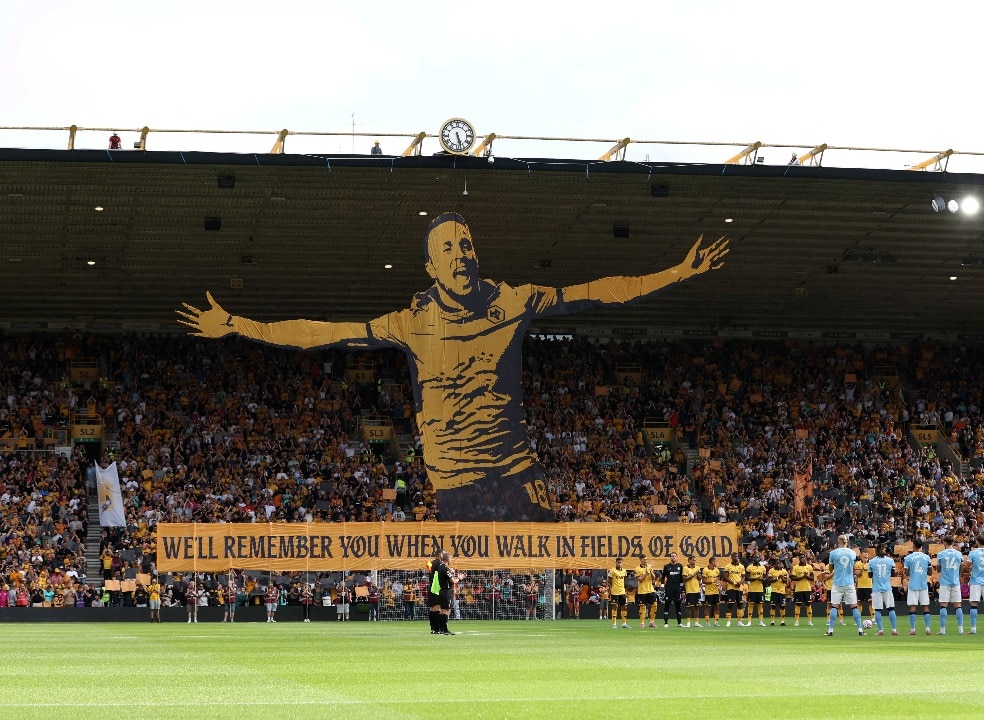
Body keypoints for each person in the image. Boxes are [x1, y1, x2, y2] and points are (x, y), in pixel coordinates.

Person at [177, 215, 730, 521]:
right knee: (461, 568)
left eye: (466, 243)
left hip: (516, 466)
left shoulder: (514, 301)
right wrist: (237, 325)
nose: (461, 253)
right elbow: (320, 332)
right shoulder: (410, 321)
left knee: (547, 557)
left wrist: (677, 272)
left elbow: (596, 294)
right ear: (431, 266)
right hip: (454, 477)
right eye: (448, 248)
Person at [825, 535, 862, 637]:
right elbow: (853, 567)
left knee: (834, 606)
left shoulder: (833, 553)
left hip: (837, 583)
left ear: (838, 541)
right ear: (847, 542)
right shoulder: (853, 553)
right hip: (849, 583)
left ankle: (830, 630)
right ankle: (860, 630)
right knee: (854, 606)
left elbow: (831, 569)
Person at [936, 537, 965, 635]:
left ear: (944, 542)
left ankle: (942, 630)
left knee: (943, 606)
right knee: (958, 606)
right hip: (955, 582)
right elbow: (961, 567)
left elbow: (938, 569)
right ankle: (961, 629)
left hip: (945, 582)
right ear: (953, 542)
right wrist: (958, 575)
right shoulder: (958, 554)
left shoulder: (941, 554)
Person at [903, 538, 932, 636]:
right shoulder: (927, 557)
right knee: (925, 607)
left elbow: (906, 573)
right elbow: (930, 572)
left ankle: (913, 629)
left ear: (914, 545)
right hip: (923, 585)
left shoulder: (908, 558)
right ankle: (928, 629)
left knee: (912, 607)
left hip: (913, 585)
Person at [868, 545, 899, 636]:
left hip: (877, 588)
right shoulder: (890, 561)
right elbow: (893, 574)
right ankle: (894, 630)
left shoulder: (872, 562)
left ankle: (881, 630)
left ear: (876, 551)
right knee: (891, 608)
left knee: (878, 610)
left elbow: (870, 575)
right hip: (887, 587)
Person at [660, 552, 685, 628]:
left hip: (677, 589)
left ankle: (679, 623)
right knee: (667, 605)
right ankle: (666, 623)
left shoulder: (680, 566)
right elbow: (663, 576)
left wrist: (681, 588)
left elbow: (681, 578)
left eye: (675, 556)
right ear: (670, 558)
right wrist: (662, 586)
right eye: (672, 556)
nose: (673, 557)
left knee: (678, 605)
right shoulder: (666, 566)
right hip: (669, 588)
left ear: (677, 557)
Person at [790, 553, 815, 627]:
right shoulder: (795, 567)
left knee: (808, 605)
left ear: (805, 559)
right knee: (798, 605)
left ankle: (810, 621)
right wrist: (802, 577)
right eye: (801, 558)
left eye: (803, 557)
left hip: (807, 588)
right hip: (798, 589)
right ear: (799, 559)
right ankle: (797, 621)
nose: (802, 559)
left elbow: (812, 578)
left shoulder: (809, 567)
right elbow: (793, 578)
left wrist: (806, 576)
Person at [723, 553, 746, 627]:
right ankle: (728, 622)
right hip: (731, 588)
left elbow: (743, 577)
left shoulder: (741, 566)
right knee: (730, 604)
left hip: (739, 588)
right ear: (731, 557)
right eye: (735, 556)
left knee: (740, 604)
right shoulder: (727, 566)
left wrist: (740, 582)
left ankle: (740, 622)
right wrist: (733, 583)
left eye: (737, 556)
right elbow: (725, 577)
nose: (736, 557)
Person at [766, 555, 789, 627]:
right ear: (774, 564)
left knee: (782, 606)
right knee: (773, 606)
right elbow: (769, 580)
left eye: (779, 563)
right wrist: (777, 577)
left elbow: (786, 581)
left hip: (782, 591)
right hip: (774, 591)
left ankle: (782, 621)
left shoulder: (784, 571)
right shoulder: (771, 570)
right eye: (777, 563)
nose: (778, 565)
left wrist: (782, 578)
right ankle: (772, 621)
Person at [744, 555, 767, 627]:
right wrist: (755, 578)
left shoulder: (763, 568)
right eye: (755, 557)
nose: (756, 558)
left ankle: (761, 621)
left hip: (760, 589)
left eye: (757, 557)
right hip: (752, 589)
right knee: (751, 605)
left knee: (760, 605)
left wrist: (762, 580)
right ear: (753, 559)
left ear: (759, 558)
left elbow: (765, 578)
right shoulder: (749, 567)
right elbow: (746, 578)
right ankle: (749, 622)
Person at [635, 555, 657, 628]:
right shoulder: (637, 569)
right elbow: (640, 580)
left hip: (650, 589)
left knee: (654, 605)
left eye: (646, 559)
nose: (646, 561)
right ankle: (642, 623)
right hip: (642, 591)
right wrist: (646, 573)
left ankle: (652, 622)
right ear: (640, 560)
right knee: (642, 607)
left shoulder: (650, 567)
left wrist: (651, 572)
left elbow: (654, 578)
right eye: (644, 559)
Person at [608, 557, 629, 629]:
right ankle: (614, 624)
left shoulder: (624, 571)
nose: (619, 564)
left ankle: (624, 623)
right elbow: (609, 580)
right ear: (616, 563)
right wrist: (614, 585)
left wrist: (624, 590)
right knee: (615, 606)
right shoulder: (612, 571)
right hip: (614, 591)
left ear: (622, 563)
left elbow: (625, 580)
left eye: (620, 562)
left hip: (622, 592)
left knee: (624, 606)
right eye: (618, 562)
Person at [701, 556, 722, 627]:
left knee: (717, 607)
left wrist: (718, 583)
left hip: (716, 591)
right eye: (716, 561)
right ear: (712, 562)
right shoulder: (705, 570)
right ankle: (707, 622)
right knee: (707, 607)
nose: (717, 563)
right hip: (708, 592)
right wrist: (712, 581)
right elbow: (703, 581)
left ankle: (716, 622)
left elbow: (718, 579)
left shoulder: (717, 570)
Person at [683, 554, 702, 628]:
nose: (694, 561)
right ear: (689, 560)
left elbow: (700, 579)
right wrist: (692, 575)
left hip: (697, 590)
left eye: (695, 560)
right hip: (689, 590)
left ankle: (696, 622)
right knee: (689, 607)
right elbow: (684, 579)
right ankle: (688, 623)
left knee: (697, 606)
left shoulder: (697, 568)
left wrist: (698, 575)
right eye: (693, 560)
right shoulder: (685, 568)